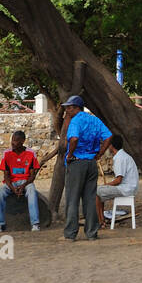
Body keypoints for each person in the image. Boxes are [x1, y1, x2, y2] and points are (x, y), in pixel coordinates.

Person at [60, 95, 112, 241]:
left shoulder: (76, 120)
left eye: (69, 108)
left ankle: (70, 233)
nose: (67, 110)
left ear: (76, 108)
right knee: (90, 199)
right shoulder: (94, 119)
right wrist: (100, 153)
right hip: (91, 163)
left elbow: (74, 138)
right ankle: (92, 232)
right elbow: (108, 136)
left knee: (72, 199)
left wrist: (70, 154)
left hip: (77, 162)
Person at [0, 130, 41, 232]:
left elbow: (32, 176)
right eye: (12, 140)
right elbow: (6, 176)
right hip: (12, 182)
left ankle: (35, 223)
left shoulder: (31, 153)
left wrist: (23, 185)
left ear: (23, 141)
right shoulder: (6, 153)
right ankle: (0, 224)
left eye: (16, 140)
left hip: (26, 181)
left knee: (32, 192)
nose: (13, 143)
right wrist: (13, 188)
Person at [96, 135, 138, 225]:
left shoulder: (119, 158)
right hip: (129, 187)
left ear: (111, 146)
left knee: (95, 191)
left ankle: (99, 221)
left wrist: (106, 185)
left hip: (125, 189)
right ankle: (101, 219)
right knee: (99, 191)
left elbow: (118, 180)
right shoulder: (123, 156)